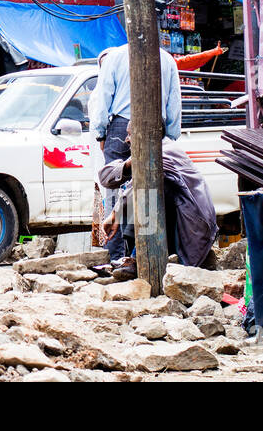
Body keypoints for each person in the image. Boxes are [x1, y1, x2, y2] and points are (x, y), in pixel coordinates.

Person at [88, 42, 182, 271]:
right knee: (147, 190)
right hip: (154, 127)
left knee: (116, 190)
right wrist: (170, 134)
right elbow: (174, 102)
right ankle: (140, 255)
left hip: (121, 126)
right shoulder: (167, 59)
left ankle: (117, 257)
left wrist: (100, 133)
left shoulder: (116, 56)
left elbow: (102, 100)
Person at [99, 135, 218, 274]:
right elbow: (105, 179)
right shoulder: (153, 149)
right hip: (182, 226)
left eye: (131, 133)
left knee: (145, 193)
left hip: (192, 230)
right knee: (133, 198)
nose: (126, 139)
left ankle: (136, 258)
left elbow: (138, 191)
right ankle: (134, 258)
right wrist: (129, 164)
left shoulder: (164, 153)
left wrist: (115, 215)